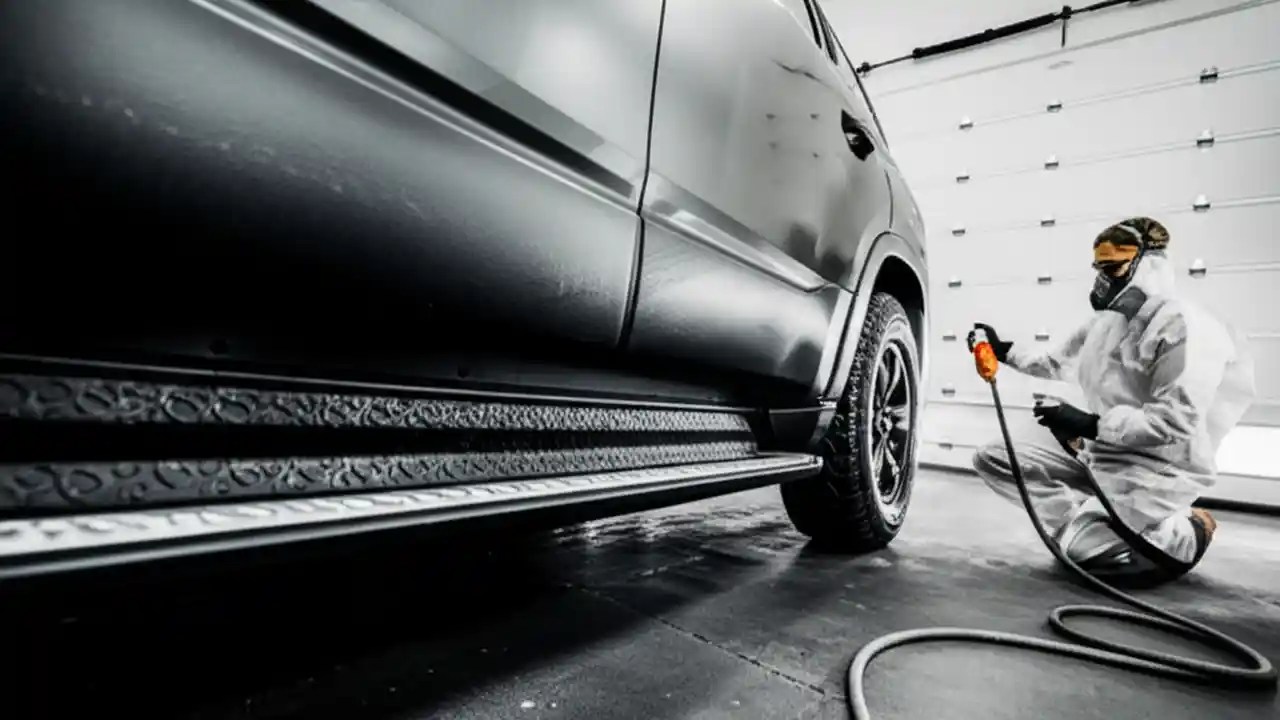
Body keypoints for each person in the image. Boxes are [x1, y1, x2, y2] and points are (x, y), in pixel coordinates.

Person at [970, 216, 1256, 580]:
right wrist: (1003, 349)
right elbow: (1057, 361)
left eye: (1113, 268)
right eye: (1098, 269)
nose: (1102, 280)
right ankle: (1080, 523)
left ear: (1149, 268)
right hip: (1101, 448)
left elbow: (1174, 422)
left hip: (1155, 465)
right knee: (994, 458)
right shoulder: (1109, 321)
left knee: (1092, 559)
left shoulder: (1185, 329)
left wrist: (1087, 423)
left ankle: (1188, 530)